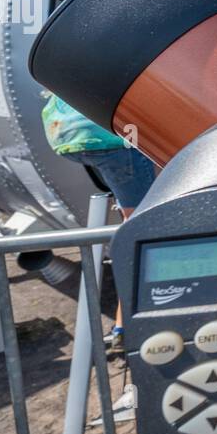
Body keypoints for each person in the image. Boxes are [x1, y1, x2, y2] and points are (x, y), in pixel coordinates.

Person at [41, 93, 156, 356]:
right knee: (141, 227)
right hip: (112, 138)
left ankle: (124, 324)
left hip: (69, 133)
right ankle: (126, 325)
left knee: (136, 222)